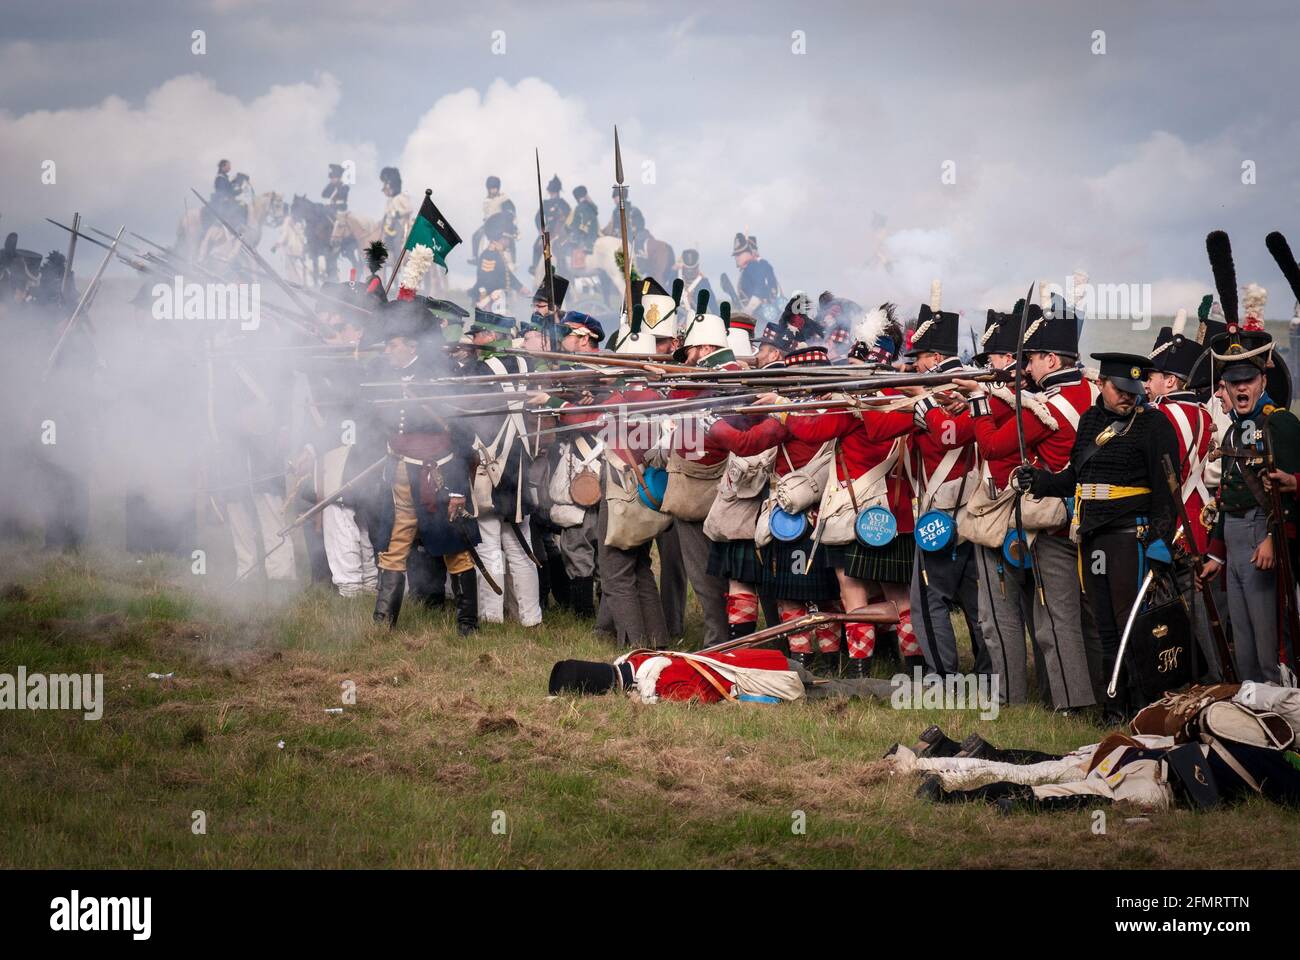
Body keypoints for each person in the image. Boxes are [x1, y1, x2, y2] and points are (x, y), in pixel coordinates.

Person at [953, 294, 1098, 713]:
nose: (1027, 367)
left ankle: (1069, 704)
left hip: (1050, 519)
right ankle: (1074, 699)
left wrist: (980, 400)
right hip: (1074, 515)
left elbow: (997, 446)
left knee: (1054, 622)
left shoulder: (1052, 405)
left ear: (1052, 361)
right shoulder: (1086, 389)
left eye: (1032, 358)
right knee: (1066, 620)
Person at [1018, 353, 1182, 722]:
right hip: (1094, 537)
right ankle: (1114, 705)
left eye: (1132, 391)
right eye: (1120, 389)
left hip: (1131, 537)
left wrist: (1159, 540)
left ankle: (1142, 704)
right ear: (1101, 385)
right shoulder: (1091, 420)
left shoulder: (1154, 425)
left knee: (1131, 626)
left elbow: (1165, 491)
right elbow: (1077, 475)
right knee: (1105, 626)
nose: (1127, 397)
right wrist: (1042, 481)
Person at [367, 288, 481, 634]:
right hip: (400, 469)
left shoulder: (440, 374)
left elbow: (461, 434)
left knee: (454, 547)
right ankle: (383, 622)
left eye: (393, 344)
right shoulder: (386, 375)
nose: (387, 350)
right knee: (394, 544)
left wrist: (459, 489)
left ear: (411, 346)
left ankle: (467, 624)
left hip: (438, 473)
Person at [1200, 328, 1300, 683]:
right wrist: (1215, 553)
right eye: (1233, 381)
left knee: (1269, 640)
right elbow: (1227, 495)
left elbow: (1285, 492)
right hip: (1236, 537)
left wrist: (1274, 537)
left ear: (1262, 380)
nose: (1241, 388)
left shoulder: (1281, 423)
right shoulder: (1231, 432)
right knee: (1241, 637)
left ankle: (1280, 708)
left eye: (1248, 379)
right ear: (1224, 385)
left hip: (1265, 535)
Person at [903, 288, 989, 678]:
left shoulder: (959, 389)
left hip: (947, 507)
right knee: (974, 600)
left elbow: (949, 436)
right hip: (970, 509)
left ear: (935, 358)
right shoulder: (973, 385)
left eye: (920, 358)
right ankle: (988, 673)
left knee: (929, 598)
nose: (916, 365)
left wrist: (921, 401)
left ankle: (944, 676)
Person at [463, 308, 543, 628]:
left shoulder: (478, 371)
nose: (475, 341)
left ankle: (492, 618)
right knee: (521, 545)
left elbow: (469, 416)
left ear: (492, 336)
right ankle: (530, 618)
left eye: (479, 335)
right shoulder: (528, 363)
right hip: (519, 462)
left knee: (490, 544)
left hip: (490, 462)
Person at [732, 233, 781, 315]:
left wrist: (747, 311)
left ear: (751, 252)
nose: (736, 258)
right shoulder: (751, 268)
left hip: (759, 315)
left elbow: (760, 291)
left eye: (739, 254)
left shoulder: (753, 266)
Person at [379, 166, 411, 252]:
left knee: (396, 242)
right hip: (389, 226)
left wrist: (398, 213)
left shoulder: (401, 197)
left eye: (387, 188)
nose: (385, 191)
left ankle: (398, 263)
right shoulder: (389, 200)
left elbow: (409, 209)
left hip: (401, 225)